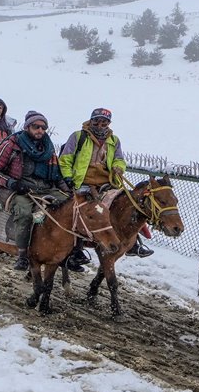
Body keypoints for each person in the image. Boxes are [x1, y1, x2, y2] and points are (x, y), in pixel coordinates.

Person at [59, 107, 153, 271]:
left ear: (109, 123)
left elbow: (119, 160)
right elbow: (65, 159)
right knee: (81, 211)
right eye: (97, 121)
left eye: (104, 122)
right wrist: (68, 178)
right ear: (91, 121)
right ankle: (76, 250)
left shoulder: (114, 140)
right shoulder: (78, 136)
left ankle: (133, 242)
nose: (100, 125)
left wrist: (118, 167)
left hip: (106, 182)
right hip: (82, 181)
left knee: (127, 203)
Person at [0, 111, 70, 271]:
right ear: (27, 126)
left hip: (45, 188)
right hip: (19, 189)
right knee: (24, 213)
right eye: (36, 127)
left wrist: (68, 192)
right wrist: (12, 183)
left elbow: (57, 176)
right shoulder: (12, 144)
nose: (40, 131)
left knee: (72, 209)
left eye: (43, 128)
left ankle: (72, 252)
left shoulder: (48, 147)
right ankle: (23, 255)